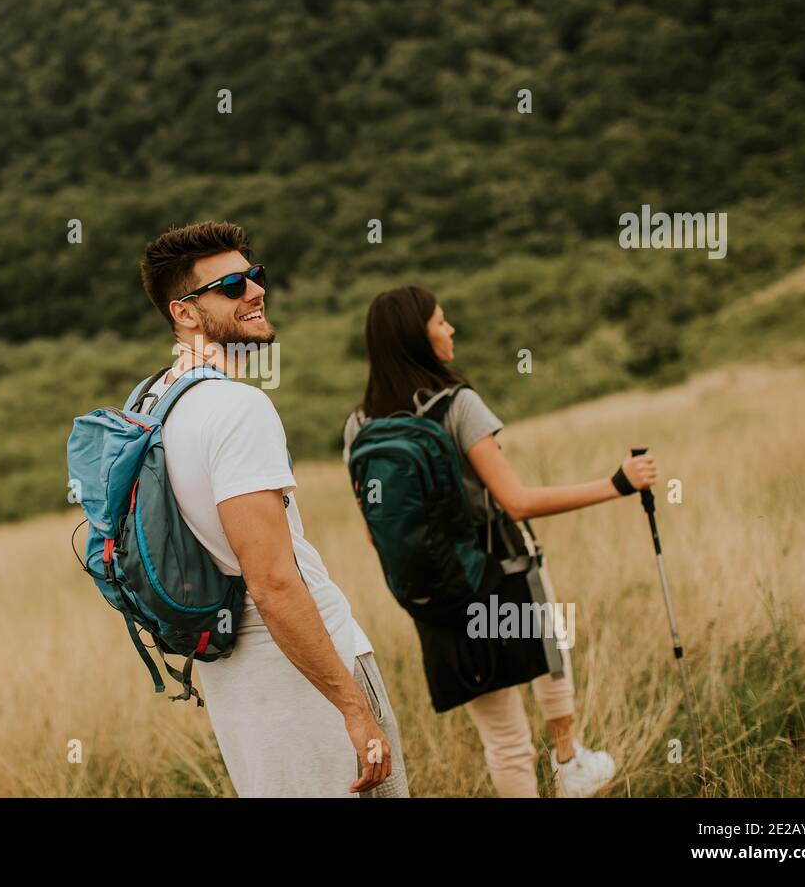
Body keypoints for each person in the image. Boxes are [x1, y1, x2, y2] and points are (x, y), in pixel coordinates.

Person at [342, 285, 657, 797]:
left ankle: (569, 761)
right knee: (551, 658)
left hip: (436, 595)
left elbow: (373, 529)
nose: (450, 330)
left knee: (504, 741)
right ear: (416, 336)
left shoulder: (359, 427)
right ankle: (569, 762)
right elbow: (517, 502)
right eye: (441, 322)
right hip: (503, 573)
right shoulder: (458, 405)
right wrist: (616, 484)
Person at [136, 221, 408, 797]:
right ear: (184, 313)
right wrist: (352, 707)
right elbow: (273, 582)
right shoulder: (237, 407)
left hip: (230, 669)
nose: (255, 291)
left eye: (254, 275)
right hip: (303, 674)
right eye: (232, 285)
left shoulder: (153, 403)